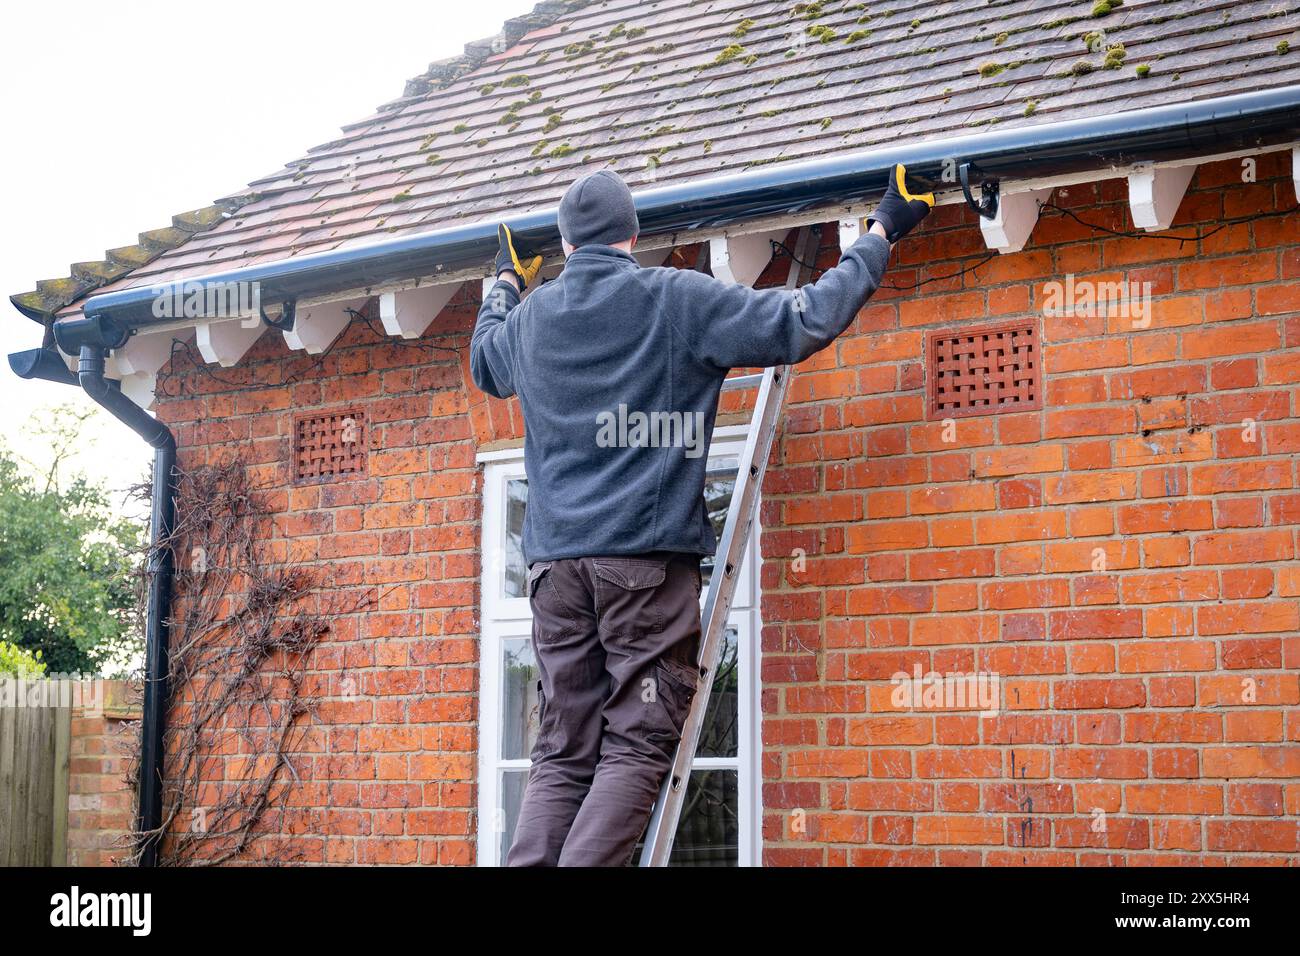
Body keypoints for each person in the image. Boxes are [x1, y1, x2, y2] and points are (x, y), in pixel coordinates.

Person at [471, 164, 933, 866]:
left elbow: (484, 361)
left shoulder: (532, 320)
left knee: (562, 753)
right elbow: (804, 318)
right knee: (635, 743)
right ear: (633, 234)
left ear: (565, 247)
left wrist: (505, 279)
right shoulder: (674, 299)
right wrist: (881, 231)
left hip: (554, 575)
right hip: (642, 568)